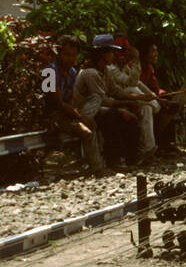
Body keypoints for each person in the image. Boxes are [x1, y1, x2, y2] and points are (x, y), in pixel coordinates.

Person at [72, 35, 148, 169]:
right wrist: (121, 108)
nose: (114, 55)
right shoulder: (90, 73)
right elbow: (102, 99)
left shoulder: (105, 70)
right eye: (111, 52)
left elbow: (115, 91)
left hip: (100, 107)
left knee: (130, 114)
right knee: (112, 117)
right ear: (102, 54)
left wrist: (139, 98)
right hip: (87, 111)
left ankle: (133, 157)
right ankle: (114, 159)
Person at [40, 35, 102, 170]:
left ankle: (93, 164)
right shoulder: (49, 72)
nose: (71, 59)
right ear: (59, 53)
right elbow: (58, 103)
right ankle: (97, 169)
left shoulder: (73, 72)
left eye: (74, 55)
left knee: (96, 99)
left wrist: (79, 115)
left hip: (67, 113)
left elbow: (70, 99)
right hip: (53, 114)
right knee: (88, 132)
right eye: (67, 55)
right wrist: (81, 118)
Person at [134, 35, 181, 153]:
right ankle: (157, 145)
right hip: (138, 98)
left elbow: (154, 87)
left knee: (170, 102)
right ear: (144, 54)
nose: (156, 54)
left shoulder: (149, 68)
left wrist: (163, 94)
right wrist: (158, 98)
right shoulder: (135, 68)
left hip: (150, 96)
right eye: (153, 51)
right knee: (156, 107)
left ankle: (167, 143)